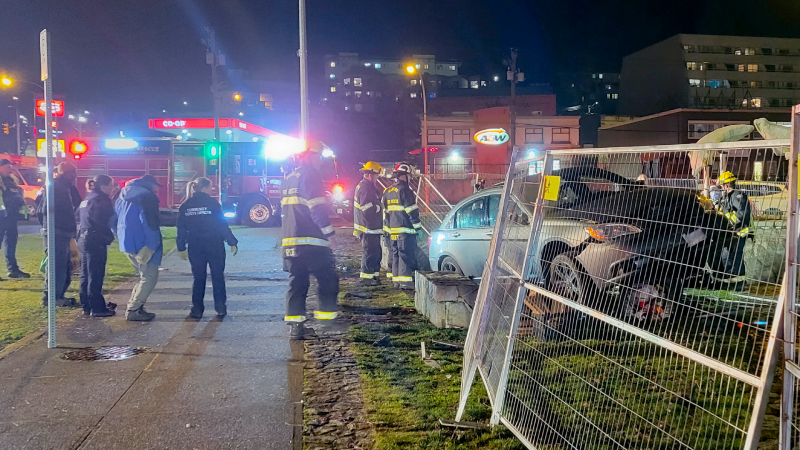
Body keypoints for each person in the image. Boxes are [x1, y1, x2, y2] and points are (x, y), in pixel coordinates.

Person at [281, 141, 339, 339]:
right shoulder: (311, 175)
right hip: (312, 241)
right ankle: (327, 321)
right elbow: (316, 207)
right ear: (312, 156)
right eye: (320, 157)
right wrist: (329, 233)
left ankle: (295, 327)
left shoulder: (289, 178)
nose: (321, 161)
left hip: (291, 242)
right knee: (328, 279)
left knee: (297, 282)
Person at [177, 177, 238, 319]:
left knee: (199, 278)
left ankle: (197, 310)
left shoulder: (186, 205)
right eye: (210, 187)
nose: (212, 190)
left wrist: (181, 246)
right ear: (204, 188)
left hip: (195, 246)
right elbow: (222, 225)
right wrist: (232, 242)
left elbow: (181, 228)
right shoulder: (212, 204)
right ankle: (220, 307)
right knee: (218, 276)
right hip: (214, 245)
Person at [116, 174, 163, 321]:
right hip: (144, 243)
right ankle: (134, 309)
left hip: (127, 242)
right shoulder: (147, 197)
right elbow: (150, 223)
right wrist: (151, 245)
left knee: (142, 276)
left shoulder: (121, 196)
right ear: (149, 184)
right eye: (156, 186)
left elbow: (113, 219)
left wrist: (120, 236)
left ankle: (136, 306)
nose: (157, 189)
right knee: (149, 277)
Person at [39, 162, 82, 307]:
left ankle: (58, 295)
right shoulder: (55, 187)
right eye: (72, 173)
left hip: (63, 232)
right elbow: (45, 210)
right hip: (56, 231)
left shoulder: (66, 188)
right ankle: (51, 297)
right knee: (56, 266)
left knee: (64, 265)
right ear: (64, 173)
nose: (74, 177)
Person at [77, 175, 116, 317]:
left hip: (83, 238)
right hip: (95, 239)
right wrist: (108, 236)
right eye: (111, 186)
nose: (112, 189)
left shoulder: (87, 199)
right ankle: (98, 308)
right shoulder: (102, 200)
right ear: (103, 186)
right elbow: (102, 220)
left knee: (85, 274)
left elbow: (78, 216)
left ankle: (86, 305)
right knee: (96, 274)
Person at [382, 162, 422, 290]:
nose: (410, 178)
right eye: (409, 176)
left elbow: (386, 214)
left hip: (392, 231)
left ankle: (397, 281)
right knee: (405, 255)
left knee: (396, 255)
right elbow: (412, 211)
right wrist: (418, 228)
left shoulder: (387, 191)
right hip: (405, 231)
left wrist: (387, 231)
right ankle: (405, 283)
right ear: (403, 176)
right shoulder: (405, 190)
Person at [718, 171, 752, 281]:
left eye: (722, 187)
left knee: (735, 258)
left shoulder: (738, 196)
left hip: (739, 232)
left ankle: (737, 282)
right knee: (726, 257)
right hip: (731, 233)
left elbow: (741, 215)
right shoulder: (728, 197)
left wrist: (729, 220)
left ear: (726, 186)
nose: (721, 189)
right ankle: (733, 279)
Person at [353, 161, 384, 286]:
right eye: (376, 175)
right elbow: (367, 209)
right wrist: (379, 207)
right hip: (367, 227)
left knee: (376, 252)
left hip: (371, 228)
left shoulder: (367, 187)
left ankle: (374, 277)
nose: (377, 178)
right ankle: (366, 278)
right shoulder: (365, 188)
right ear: (370, 175)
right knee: (370, 252)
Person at [0, 159, 30, 280]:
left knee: (11, 243)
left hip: (11, 217)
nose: (10, 169)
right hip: (2, 216)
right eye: (8, 167)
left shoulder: (11, 180)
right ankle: (12, 269)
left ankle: (13, 269)